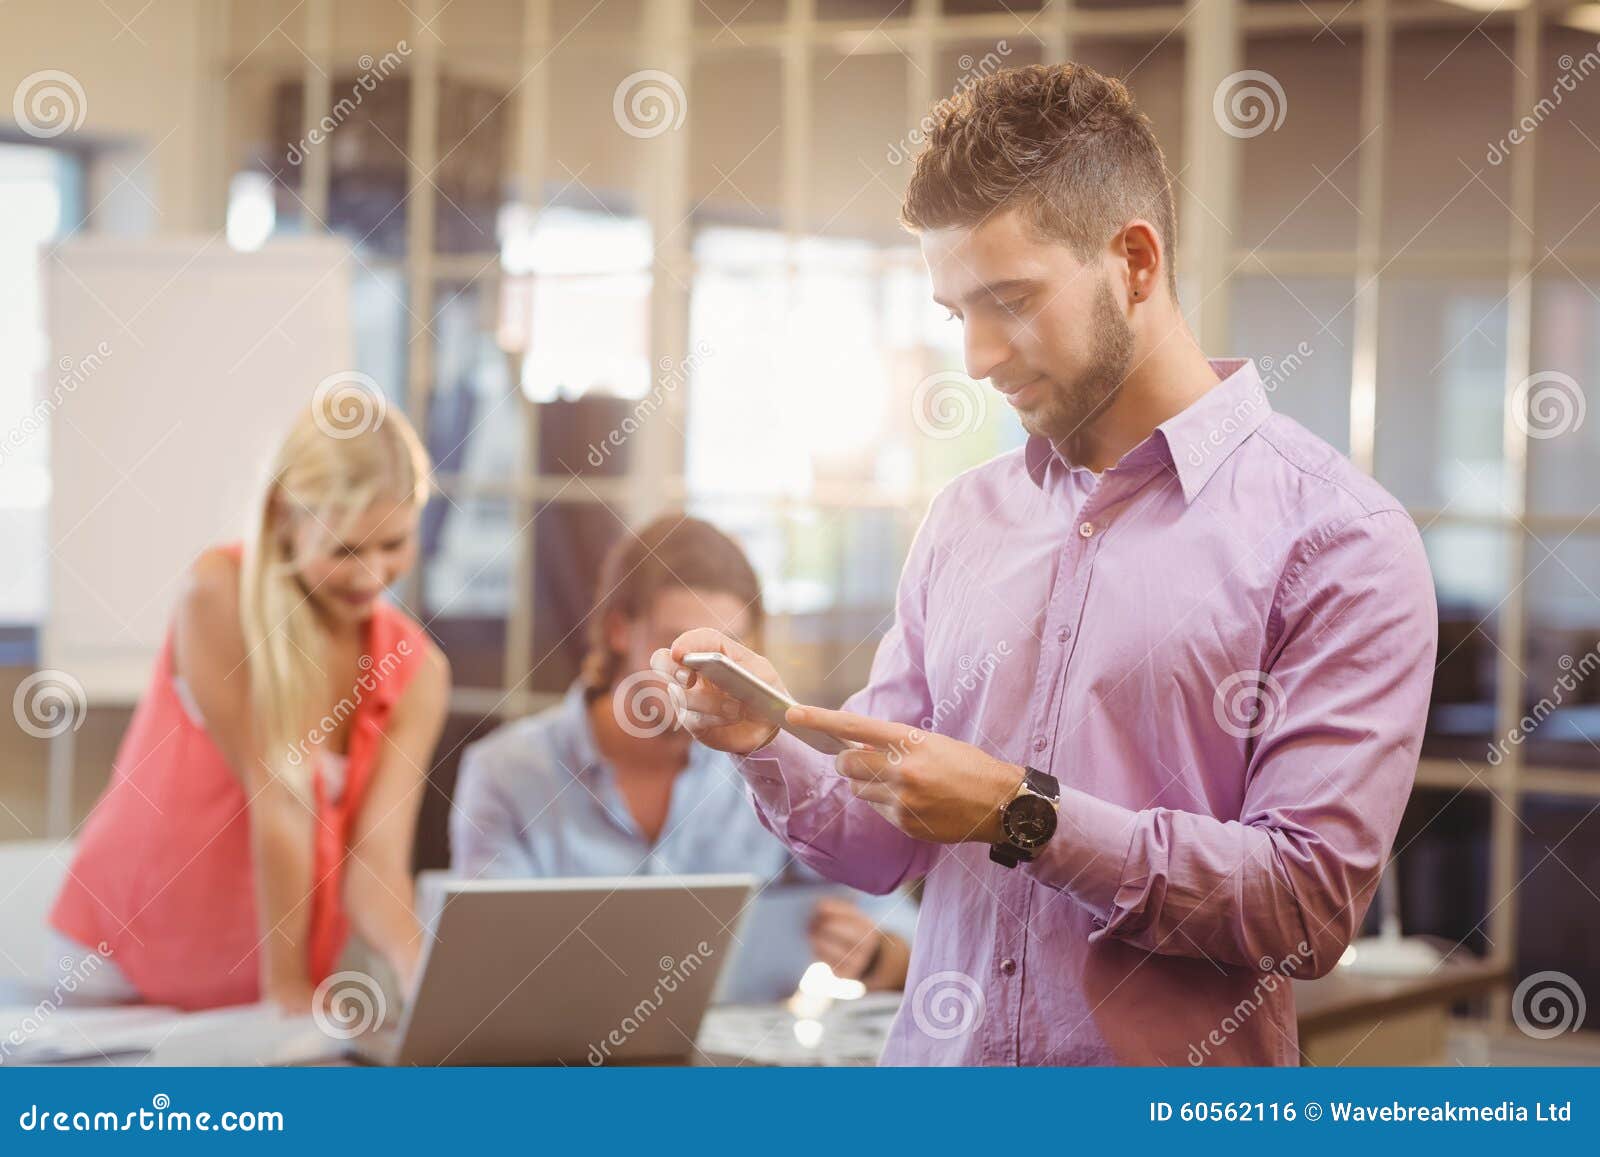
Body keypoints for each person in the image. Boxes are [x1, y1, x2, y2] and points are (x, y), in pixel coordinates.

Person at [654, 63, 1437, 1065]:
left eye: (1010, 298)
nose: (976, 354)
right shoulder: (963, 519)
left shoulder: (1337, 540)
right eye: (954, 313)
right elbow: (880, 843)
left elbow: (1305, 906)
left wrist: (1020, 814)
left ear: (1136, 261)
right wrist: (761, 737)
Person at [49, 392, 450, 1012]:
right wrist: (286, 993)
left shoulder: (418, 671)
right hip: (124, 966)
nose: (372, 575)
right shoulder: (218, 595)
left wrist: (424, 979)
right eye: (345, 549)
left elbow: (376, 865)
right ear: (284, 516)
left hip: (263, 986)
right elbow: (281, 799)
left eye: (394, 543)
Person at [451, 514, 913, 996]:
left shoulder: (779, 772)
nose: (703, 683)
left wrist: (877, 955)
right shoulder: (505, 772)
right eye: (678, 651)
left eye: (726, 657)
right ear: (619, 632)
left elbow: (904, 927)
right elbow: (488, 966)